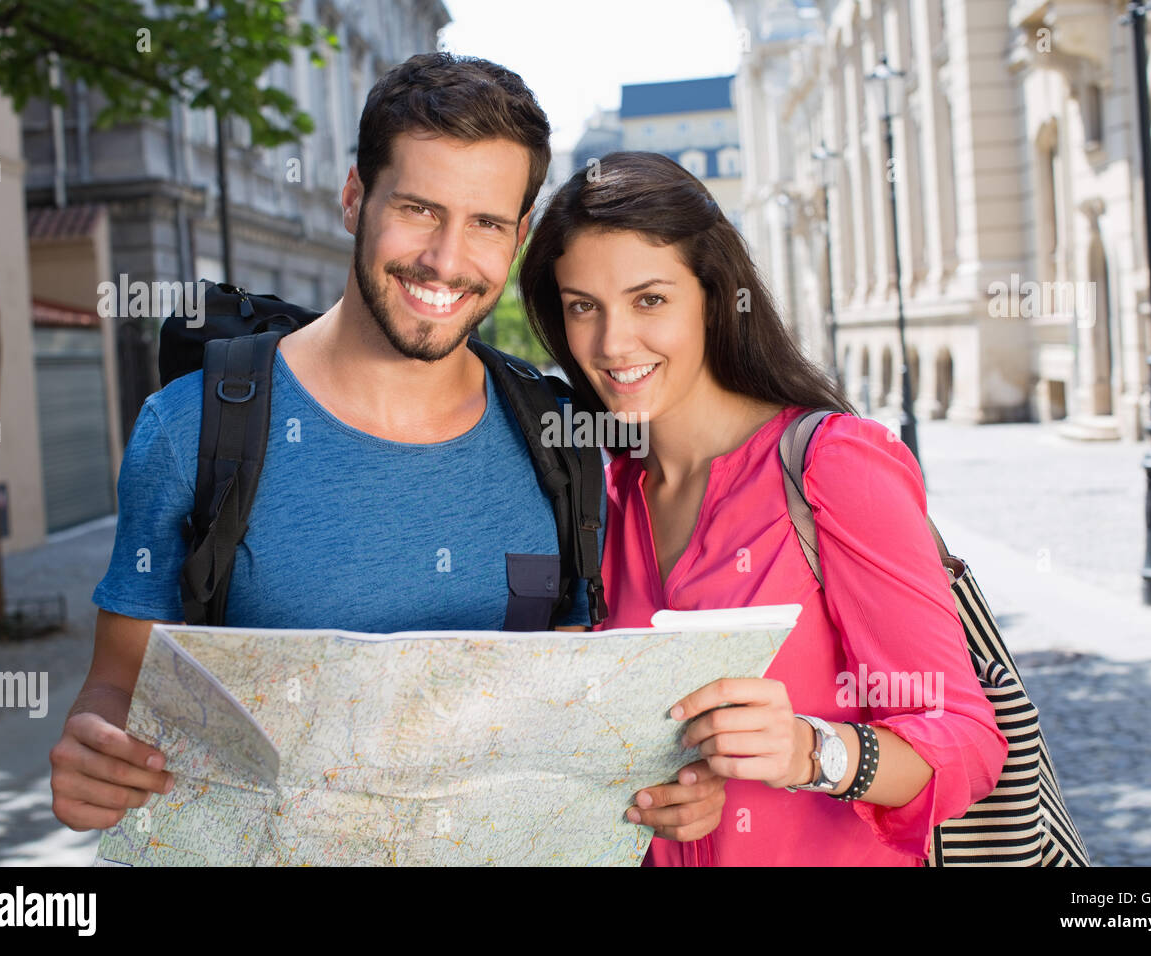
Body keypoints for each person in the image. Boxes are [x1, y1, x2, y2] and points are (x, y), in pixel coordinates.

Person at [49, 53, 598, 833]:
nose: (445, 260)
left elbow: (576, 707)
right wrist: (94, 756)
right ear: (354, 198)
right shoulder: (191, 429)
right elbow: (119, 688)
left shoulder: (562, 439)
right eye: (418, 209)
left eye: (485, 223)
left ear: (519, 240)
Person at [519, 151, 1009, 866]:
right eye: (582, 307)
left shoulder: (833, 466)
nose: (612, 342)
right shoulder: (601, 496)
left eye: (650, 299)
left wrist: (813, 751)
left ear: (715, 298)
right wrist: (665, 794)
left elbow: (965, 739)